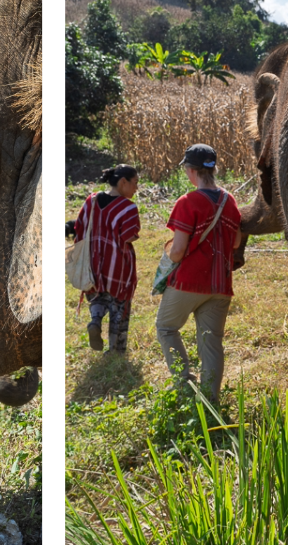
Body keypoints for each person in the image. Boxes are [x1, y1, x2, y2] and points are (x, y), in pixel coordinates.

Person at [155, 143, 244, 409]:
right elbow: (236, 242)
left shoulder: (188, 202)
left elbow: (178, 250)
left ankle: (184, 386)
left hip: (189, 282)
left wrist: (166, 265)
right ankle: (210, 401)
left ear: (191, 170)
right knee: (211, 342)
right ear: (213, 169)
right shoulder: (230, 201)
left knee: (166, 327)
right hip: (220, 285)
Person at [67, 164, 141, 353]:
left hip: (92, 264)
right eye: (135, 183)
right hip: (118, 265)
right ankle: (116, 350)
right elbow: (129, 236)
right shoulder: (128, 207)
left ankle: (95, 321)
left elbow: (80, 227)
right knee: (119, 305)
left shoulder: (91, 200)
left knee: (98, 296)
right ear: (123, 182)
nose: (136, 188)